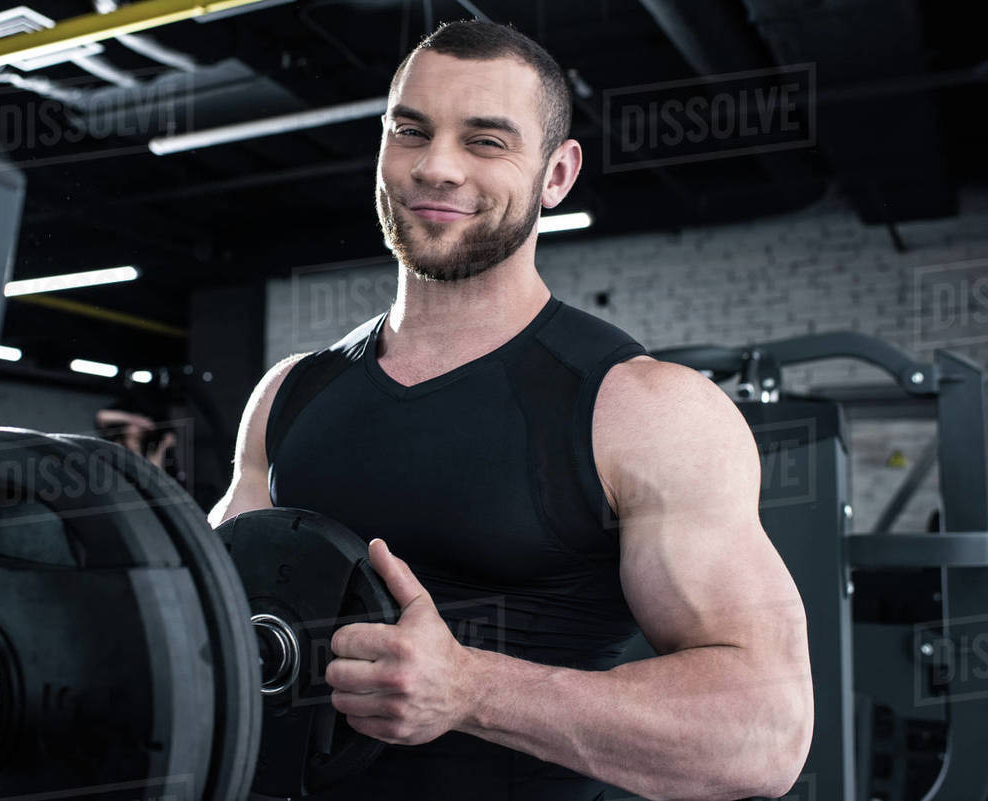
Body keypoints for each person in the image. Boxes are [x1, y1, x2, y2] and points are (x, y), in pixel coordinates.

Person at [210, 19, 812, 801]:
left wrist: (471, 689)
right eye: (410, 131)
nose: (437, 167)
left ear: (556, 175)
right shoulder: (288, 393)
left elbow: (766, 733)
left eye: (486, 141)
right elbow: (199, 621)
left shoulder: (643, 410)